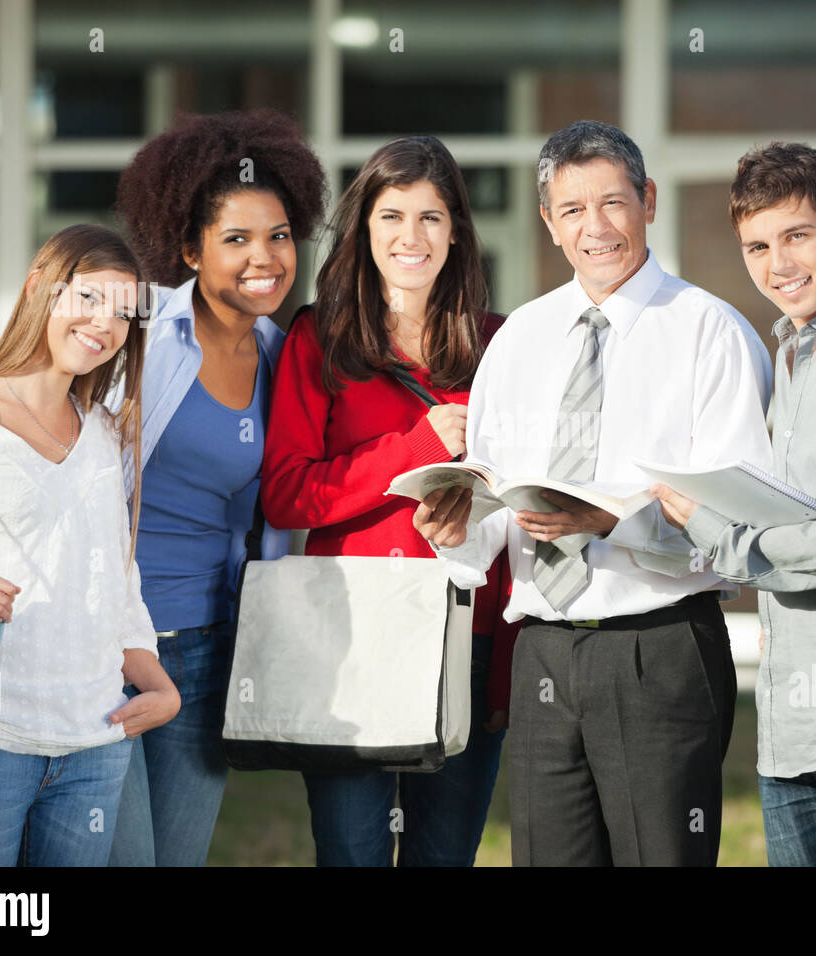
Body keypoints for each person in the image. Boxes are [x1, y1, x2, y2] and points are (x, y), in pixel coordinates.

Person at [415, 120, 774, 867]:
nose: (596, 228)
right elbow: (492, 490)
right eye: (572, 210)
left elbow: (742, 517)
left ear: (647, 200)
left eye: (613, 203)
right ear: (548, 222)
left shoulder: (710, 331)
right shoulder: (520, 338)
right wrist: (458, 529)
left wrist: (610, 517)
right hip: (542, 650)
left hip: (660, 646)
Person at [651, 142, 816, 866]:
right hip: (789, 727)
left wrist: (716, 531)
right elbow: (809, 527)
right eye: (757, 246)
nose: (778, 264)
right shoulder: (793, 352)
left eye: (797, 235)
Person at [260, 135, 520, 867]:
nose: (412, 237)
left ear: (457, 232)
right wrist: (416, 443)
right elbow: (286, 494)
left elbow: (524, 487)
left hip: (462, 639)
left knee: (444, 856)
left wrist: (481, 506)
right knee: (352, 854)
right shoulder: (320, 337)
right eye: (392, 216)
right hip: (353, 639)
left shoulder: (499, 347)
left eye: (431, 218)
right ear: (364, 230)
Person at [0, 224, 179, 867]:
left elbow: (117, 585)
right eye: (87, 299)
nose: (103, 324)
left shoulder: (107, 433)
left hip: (94, 743)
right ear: (39, 291)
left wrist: (158, 685)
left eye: (120, 313)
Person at [107, 109, 327, 867]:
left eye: (278, 235)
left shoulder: (283, 357)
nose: (263, 258)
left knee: (175, 857)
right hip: (111, 646)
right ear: (188, 249)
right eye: (235, 239)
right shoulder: (134, 339)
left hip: (208, 654)